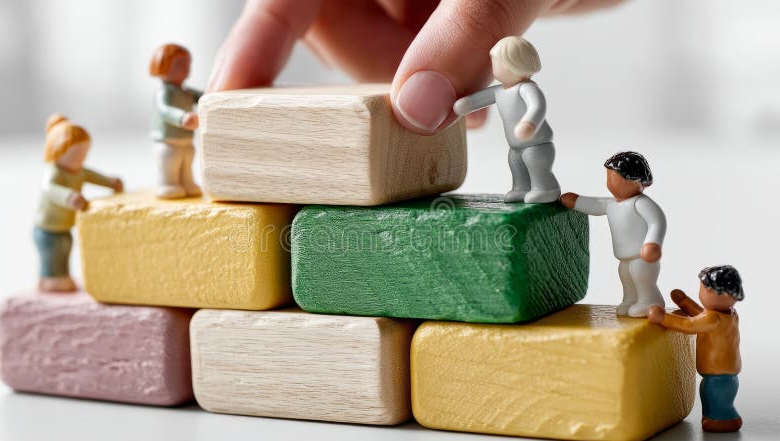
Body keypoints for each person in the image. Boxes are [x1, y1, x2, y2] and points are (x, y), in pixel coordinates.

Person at [206, 0, 624, 135]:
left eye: (496, 59)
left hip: (531, 147)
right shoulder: (508, 89)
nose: (490, 62)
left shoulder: (525, 89)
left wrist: (531, 126)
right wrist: (461, 105)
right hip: (523, 147)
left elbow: (528, 108)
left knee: (528, 171)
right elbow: (484, 98)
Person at [453, 36, 560, 203]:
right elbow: (479, 100)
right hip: (516, 146)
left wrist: (529, 123)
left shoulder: (526, 88)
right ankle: (521, 188)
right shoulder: (499, 91)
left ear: (514, 64)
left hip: (536, 144)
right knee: (516, 163)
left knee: (535, 164)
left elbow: (538, 106)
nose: (493, 66)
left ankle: (546, 188)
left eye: (497, 62)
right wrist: (467, 104)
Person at [560, 152, 666, 317]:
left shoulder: (641, 203)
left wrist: (653, 243)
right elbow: (595, 205)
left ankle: (649, 301)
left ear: (635, 180)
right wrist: (576, 201)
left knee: (641, 275)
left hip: (642, 257)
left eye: (616, 178)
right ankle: (630, 300)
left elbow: (657, 221)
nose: (611, 182)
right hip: (624, 257)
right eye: (609, 178)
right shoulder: (612, 204)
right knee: (626, 275)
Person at [648, 265, 744, 433]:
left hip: (719, 377)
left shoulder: (713, 318)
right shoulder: (729, 314)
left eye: (703, 290)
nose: (700, 294)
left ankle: (727, 421)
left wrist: (662, 317)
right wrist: (684, 302)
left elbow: (689, 325)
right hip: (725, 375)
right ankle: (714, 418)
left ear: (723, 294)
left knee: (718, 402)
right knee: (710, 398)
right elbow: (701, 316)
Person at [35, 114, 124, 292]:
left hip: (63, 227)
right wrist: (69, 197)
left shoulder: (79, 171)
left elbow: (93, 176)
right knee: (53, 255)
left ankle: (60, 277)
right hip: (47, 228)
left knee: (65, 250)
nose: (81, 159)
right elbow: (50, 188)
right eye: (76, 154)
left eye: (84, 154)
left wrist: (110, 182)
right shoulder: (55, 173)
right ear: (58, 150)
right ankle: (49, 279)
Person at [150, 43, 203, 199]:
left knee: (186, 163)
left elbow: (203, 97)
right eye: (180, 65)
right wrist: (182, 118)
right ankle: (168, 184)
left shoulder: (186, 91)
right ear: (162, 66)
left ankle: (187, 182)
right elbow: (164, 109)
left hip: (186, 141)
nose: (186, 68)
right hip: (168, 142)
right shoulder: (164, 92)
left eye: (188, 64)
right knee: (170, 164)